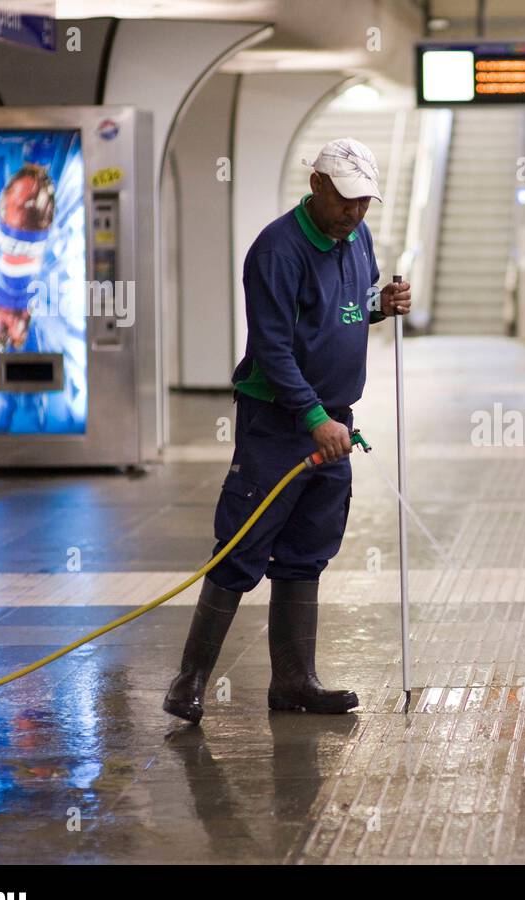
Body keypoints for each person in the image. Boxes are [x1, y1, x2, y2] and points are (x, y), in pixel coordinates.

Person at [164, 138, 411, 723]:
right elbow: (273, 348)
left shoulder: (358, 238)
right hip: (279, 423)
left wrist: (383, 302)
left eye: (365, 203)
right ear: (318, 187)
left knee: (307, 551)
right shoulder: (276, 250)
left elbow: (350, 307)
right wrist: (313, 416)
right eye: (346, 200)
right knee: (242, 542)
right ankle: (188, 681)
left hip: (335, 421)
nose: (355, 213)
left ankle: (295, 681)